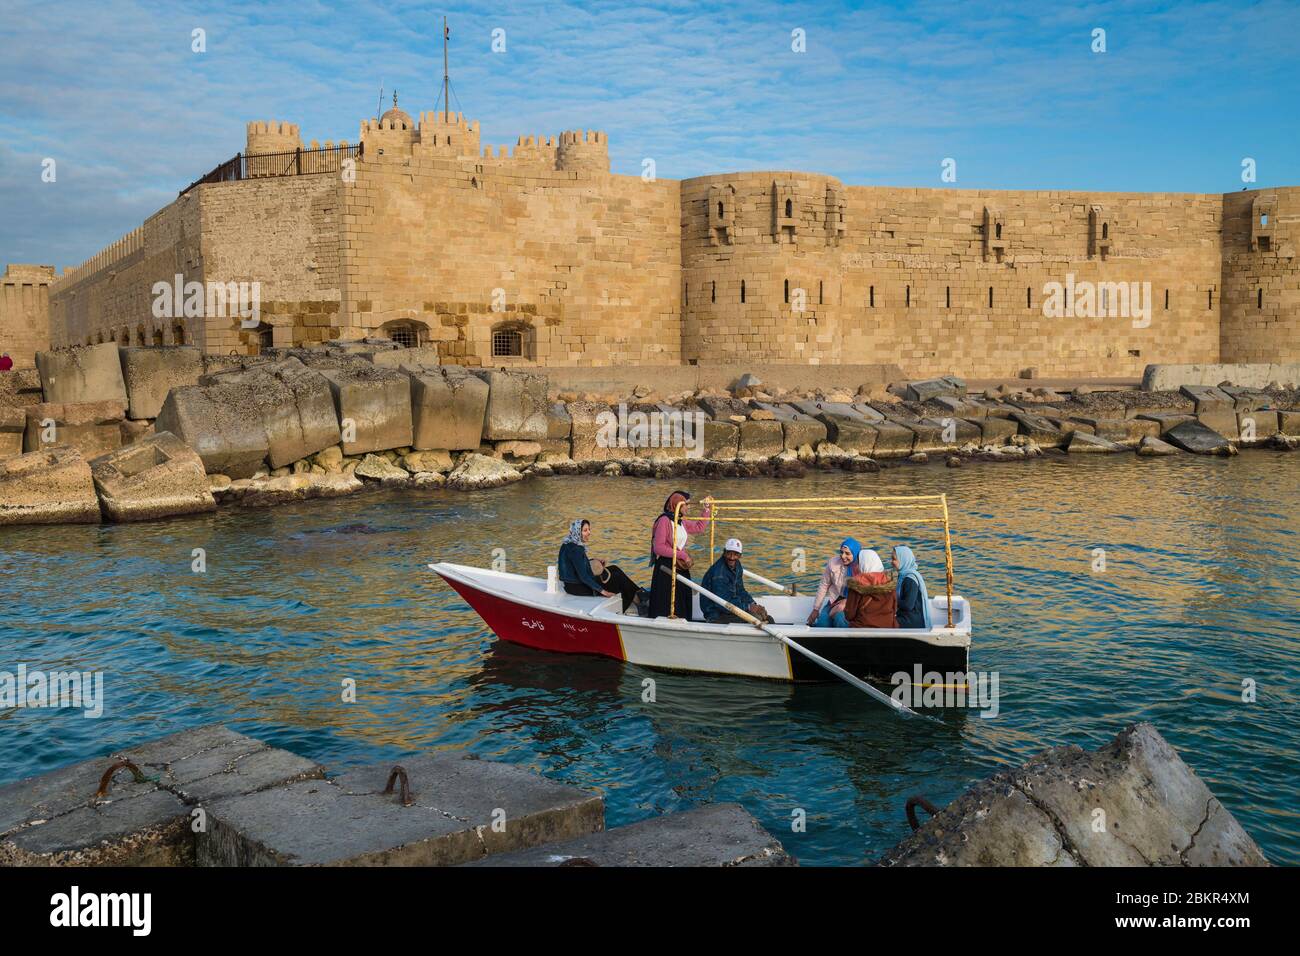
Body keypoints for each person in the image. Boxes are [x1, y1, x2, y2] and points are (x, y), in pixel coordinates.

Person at [647, 489, 712, 619]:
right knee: (668, 602)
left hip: (680, 566)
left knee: (682, 598)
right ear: (678, 505)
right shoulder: (664, 521)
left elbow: (700, 527)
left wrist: (706, 510)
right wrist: (682, 555)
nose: (688, 507)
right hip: (666, 567)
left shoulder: (680, 521)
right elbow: (658, 548)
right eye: (686, 504)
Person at [557, 519, 641, 613]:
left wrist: (594, 560)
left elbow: (575, 564)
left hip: (571, 584)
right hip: (577, 586)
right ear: (577, 531)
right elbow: (583, 577)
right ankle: (633, 602)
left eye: (589, 529)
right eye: (585, 530)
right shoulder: (576, 549)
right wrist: (603, 592)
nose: (589, 533)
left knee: (614, 568)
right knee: (617, 578)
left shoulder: (567, 543)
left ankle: (638, 593)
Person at [700, 538, 772, 625]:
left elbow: (740, 590)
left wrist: (753, 604)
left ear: (740, 555)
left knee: (767, 618)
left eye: (736, 554)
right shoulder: (719, 573)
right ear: (724, 552)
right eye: (729, 553)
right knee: (756, 618)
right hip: (716, 614)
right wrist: (749, 607)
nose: (732, 557)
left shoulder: (737, 565)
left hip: (728, 609)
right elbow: (722, 603)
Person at [806, 538, 861, 627]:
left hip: (853, 604)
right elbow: (824, 585)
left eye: (847, 553)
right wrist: (816, 609)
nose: (843, 556)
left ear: (855, 554)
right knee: (823, 623)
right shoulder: (833, 563)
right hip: (834, 601)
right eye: (841, 552)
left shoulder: (862, 566)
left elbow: (864, 591)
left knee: (840, 618)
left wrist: (847, 602)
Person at [843, 549, 898, 628]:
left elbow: (849, 615)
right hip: (887, 627)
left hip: (862, 628)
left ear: (863, 564)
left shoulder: (856, 585)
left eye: (858, 563)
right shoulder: (889, 583)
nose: (856, 566)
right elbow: (894, 609)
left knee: (839, 617)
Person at [893, 545, 933, 629]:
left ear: (903, 560)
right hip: (907, 617)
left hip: (911, 621)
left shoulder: (909, 579)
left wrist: (892, 600)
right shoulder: (903, 575)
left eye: (894, 559)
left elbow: (908, 605)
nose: (891, 562)